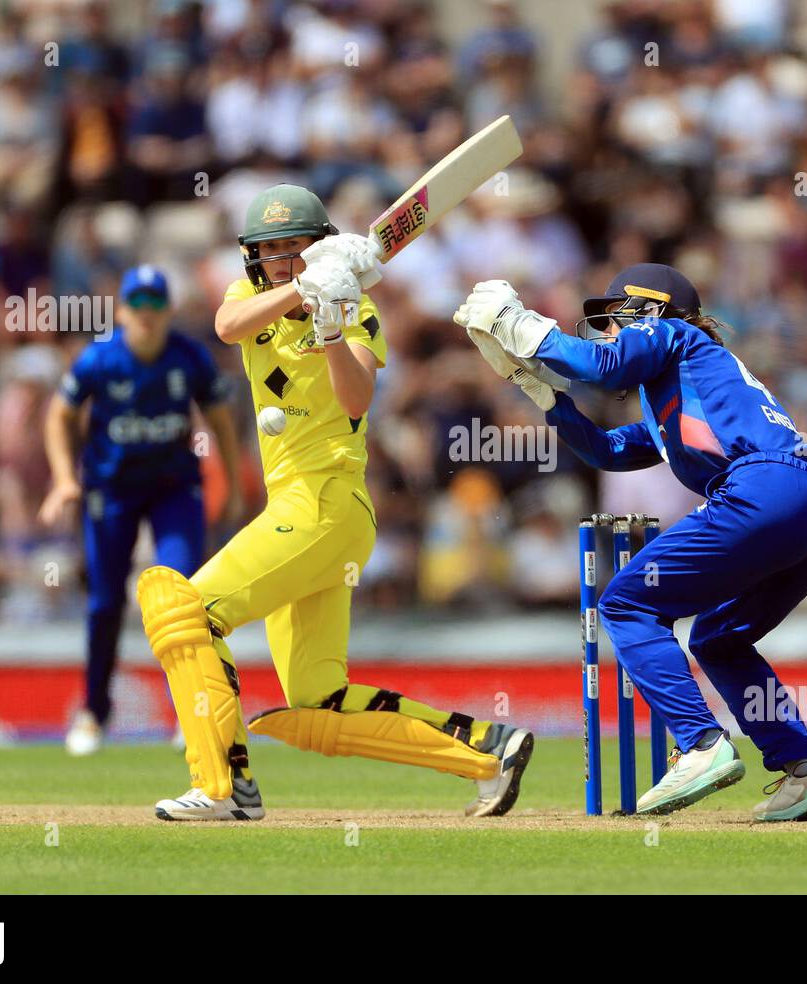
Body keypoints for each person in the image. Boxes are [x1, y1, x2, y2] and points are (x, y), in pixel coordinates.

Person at [136, 184, 534, 821]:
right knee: (320, 700)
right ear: (254, 259)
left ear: (321, 246)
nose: (283, 259)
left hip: (326, 505)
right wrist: (304, 288)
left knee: (183, 609)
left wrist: (329, 325)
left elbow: (355, 401)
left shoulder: (355, 310)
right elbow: (225, 324)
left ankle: (221, 786)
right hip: (300, 514)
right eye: (271, 252)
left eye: (297, 248)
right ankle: (488, 749)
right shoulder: (252, 296)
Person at [453, 263, 807, 820]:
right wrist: (538, 390)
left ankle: (701, 745)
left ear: (645, 309)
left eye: (613, 319)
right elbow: (607, 451)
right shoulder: (681, 391)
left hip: (764, 487)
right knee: (718, 639)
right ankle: (805, 771)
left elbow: (605, 366)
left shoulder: (675, 335)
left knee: (625, 601)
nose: (608, 331)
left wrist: (519, 324)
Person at [40, 265, 241, 756]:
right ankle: (93, 712)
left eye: (156, 305)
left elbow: (219, 421)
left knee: (181, 596)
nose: (147, 315)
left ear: (168, 310)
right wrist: (64, 479)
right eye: (139, 306)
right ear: (123, 310)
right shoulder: (100, 360)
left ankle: (191, 714)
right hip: (111, 492)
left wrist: (233, 485)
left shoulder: (189, 357)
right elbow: (59, 415)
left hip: (174, 489)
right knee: (106, 602)